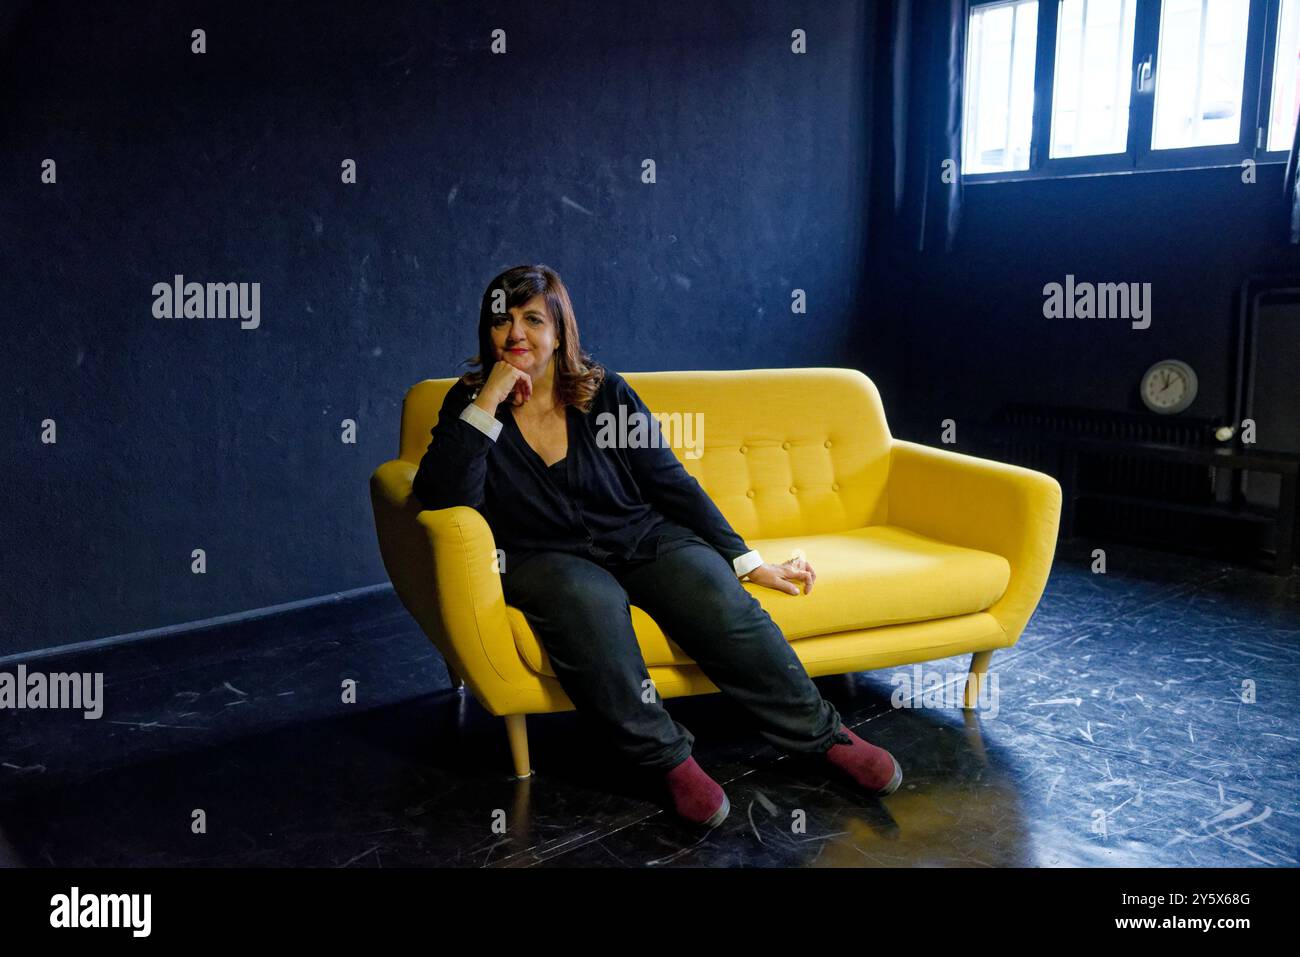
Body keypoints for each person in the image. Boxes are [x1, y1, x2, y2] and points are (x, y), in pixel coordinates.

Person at [413, 264, 902, 829]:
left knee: (715, 596)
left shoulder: (605, 394)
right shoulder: (470, 403)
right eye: (503, 320)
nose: (516, 333)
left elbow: (670, 482)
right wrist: (490, 401)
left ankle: (822, 736)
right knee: (587, 604)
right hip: (542, 557)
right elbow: (442, 496)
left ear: (560, 331)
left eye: (532, 319)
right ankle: (667, 760)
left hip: (640, 535)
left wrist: (746, 561)